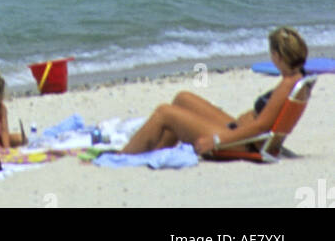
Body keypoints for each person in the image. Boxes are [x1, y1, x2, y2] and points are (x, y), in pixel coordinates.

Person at [121, 27, 308, 156]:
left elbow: (261, 127)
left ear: (277, 55)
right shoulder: (299, 78)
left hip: (241, 143)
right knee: (182, 98)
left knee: (165, 112)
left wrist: (216, 140)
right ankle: (153, 153)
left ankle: (124, 156)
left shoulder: (287, 85)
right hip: (241, 134)